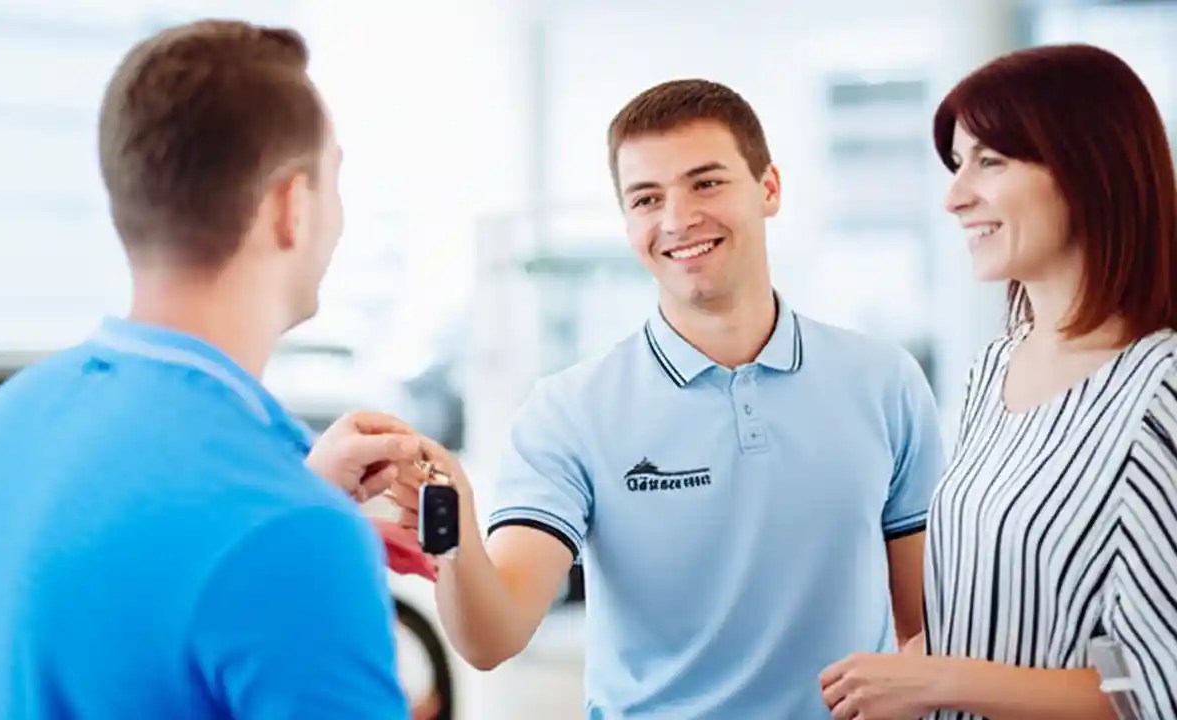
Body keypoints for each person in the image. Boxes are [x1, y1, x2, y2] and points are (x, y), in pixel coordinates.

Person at [389, 79, 947, 717]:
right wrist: (455, 534)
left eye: (706, 183)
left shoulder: (885, 383)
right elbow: (494, 637)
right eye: (647, 198)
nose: (678, 219)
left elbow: (926, 622)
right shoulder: (569, 411)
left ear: (769, 189)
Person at [0, 20, 425, 719]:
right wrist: (305, 545)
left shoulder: (0, 427)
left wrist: (294, 513)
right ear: (292, 206)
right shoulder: (289, 535)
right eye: (333, 178)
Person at [820, 43, 1177, 720]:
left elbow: (1156, 687)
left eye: (991, 161)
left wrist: (938, 682)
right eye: (958, 165)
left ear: (1089, 169)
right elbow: (1001, 613)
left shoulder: (1159, 393)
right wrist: (904, 671)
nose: (955, 196)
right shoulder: (995, 368)